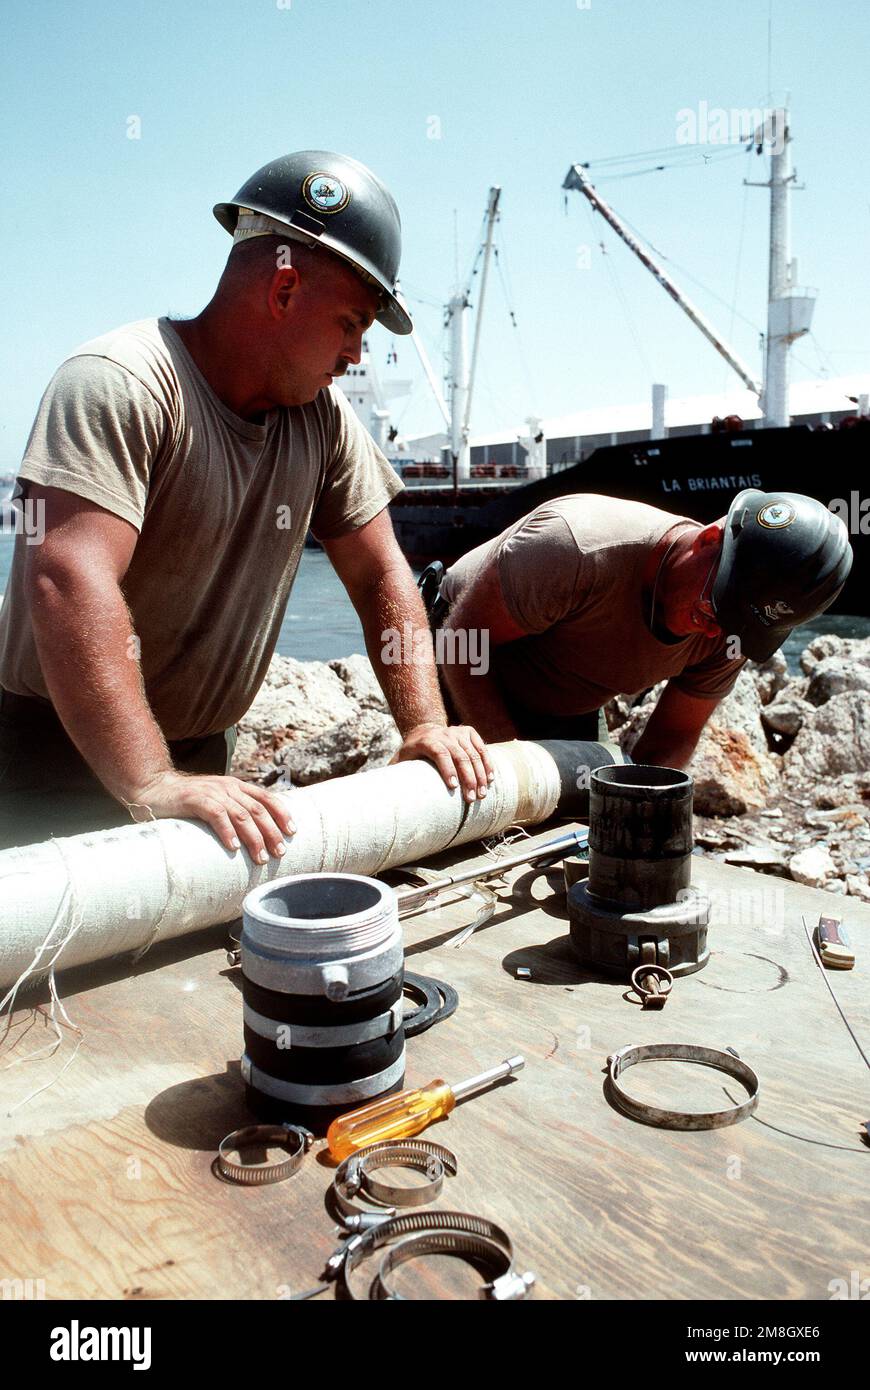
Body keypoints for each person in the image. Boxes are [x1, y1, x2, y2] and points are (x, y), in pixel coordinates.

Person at [0, 150, 492, 853]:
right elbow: (68, 578)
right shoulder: (122, 382)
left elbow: (380, 572)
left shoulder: (320, 420)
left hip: (200, 756)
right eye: (351, 322)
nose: (357, 354)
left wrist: (423, 726)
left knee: (187, 957)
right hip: (56, 754)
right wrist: (148, 781)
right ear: (285, 289)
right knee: (53, 957)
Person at [434, 489, 852, 769]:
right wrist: (513, 766)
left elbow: (672, 737)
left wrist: (638, 813)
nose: (714, 632)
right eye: (716, 605)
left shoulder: (733, 628)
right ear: (708, 540)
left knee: (583, 831)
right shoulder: (576, 546)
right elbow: (461, 641)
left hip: (567, 700)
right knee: (464, 811)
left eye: (734, 623)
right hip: (459, 661)